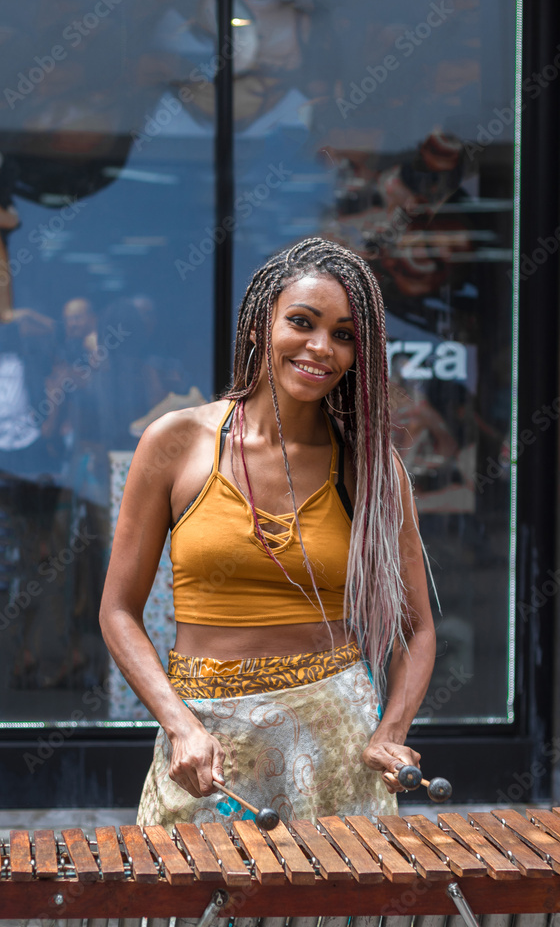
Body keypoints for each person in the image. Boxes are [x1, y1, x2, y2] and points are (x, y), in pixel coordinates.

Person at [99, 237, 436, 827]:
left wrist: (391, 733)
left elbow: (417, 627)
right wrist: (180, 725)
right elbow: (118, 612)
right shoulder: (175, 443)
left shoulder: (371, 468)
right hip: (209, 743)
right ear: (260, 324)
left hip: (337, 742)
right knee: (194, 912)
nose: (319, 348)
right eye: (301, 323)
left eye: (343, 334)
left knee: (331, 915)